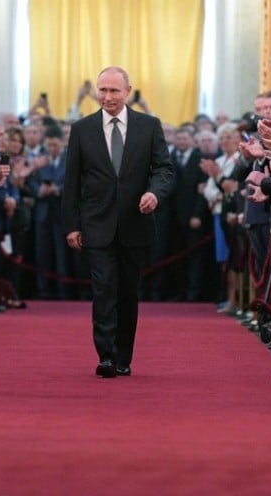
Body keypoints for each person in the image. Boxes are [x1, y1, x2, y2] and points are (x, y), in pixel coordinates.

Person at [62, 66, 174, 377]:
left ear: (127, 91)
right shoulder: (82, 129)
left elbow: (164, 169)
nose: (107, 96)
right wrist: (72, 225)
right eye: (102, 90)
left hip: (135, 223)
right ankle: (106, 355)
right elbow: (71, 181)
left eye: (113, 90)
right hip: (96, 224)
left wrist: (154, 193)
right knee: (103, 289)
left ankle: (124, 356)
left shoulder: (148, 126)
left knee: (127, 292)